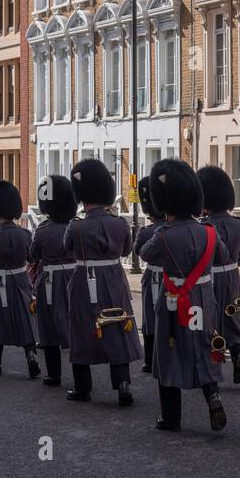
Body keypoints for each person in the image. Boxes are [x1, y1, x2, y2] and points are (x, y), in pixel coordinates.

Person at [140, 158, 227, 433]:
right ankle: (212, 395)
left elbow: (145, 255)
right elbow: (223, 256)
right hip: (202, 296)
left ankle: (171, 417)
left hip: (174, 298)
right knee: (203, 348)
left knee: (169, 355)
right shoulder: (209, 233)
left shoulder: (164, 235)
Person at [64, 159, 142, 406]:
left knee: (82, 331)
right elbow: (126, 250)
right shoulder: (120, 224)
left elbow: (68, 250)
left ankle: (82, 387)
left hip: (85, 281)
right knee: (117, 329)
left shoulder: (76, 227)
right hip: (115, 279)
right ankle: (123, 385)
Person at [0, 180, 40, 378]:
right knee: (26, 320)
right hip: (22, 280)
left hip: (1, 283)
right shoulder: (25, 234)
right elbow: (32, 258)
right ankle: (31, 357)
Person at [198, 166, 240, 384]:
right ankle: (237, 352)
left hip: (209, 279)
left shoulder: (203, 227)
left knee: (210, 320)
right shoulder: (238, 224)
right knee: (233, 317)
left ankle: (213, 368)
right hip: (231, 277)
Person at [29, 175, 79, 388]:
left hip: (50, 280)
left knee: (48, 326)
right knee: (76, 324)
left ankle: (54, 375)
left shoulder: (43, 229)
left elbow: (33, 255)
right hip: (74, 277)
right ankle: (81, 377)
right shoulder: (75, 227)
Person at [134, 176, 164, 375]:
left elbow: (137, 251)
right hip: (175, 279)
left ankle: (149, 359)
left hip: (153, 276)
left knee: (150, 318)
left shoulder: (147, 232)